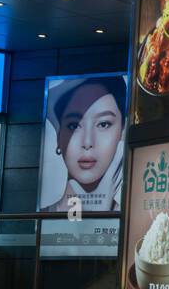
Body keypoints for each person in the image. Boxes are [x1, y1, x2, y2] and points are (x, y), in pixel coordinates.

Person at [41, 76, 127, 213]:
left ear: (122, 131)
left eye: (104, 124)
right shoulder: (43, 219)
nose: (87, 142)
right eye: (74, 125)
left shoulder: (132, 218)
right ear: (59, 137)